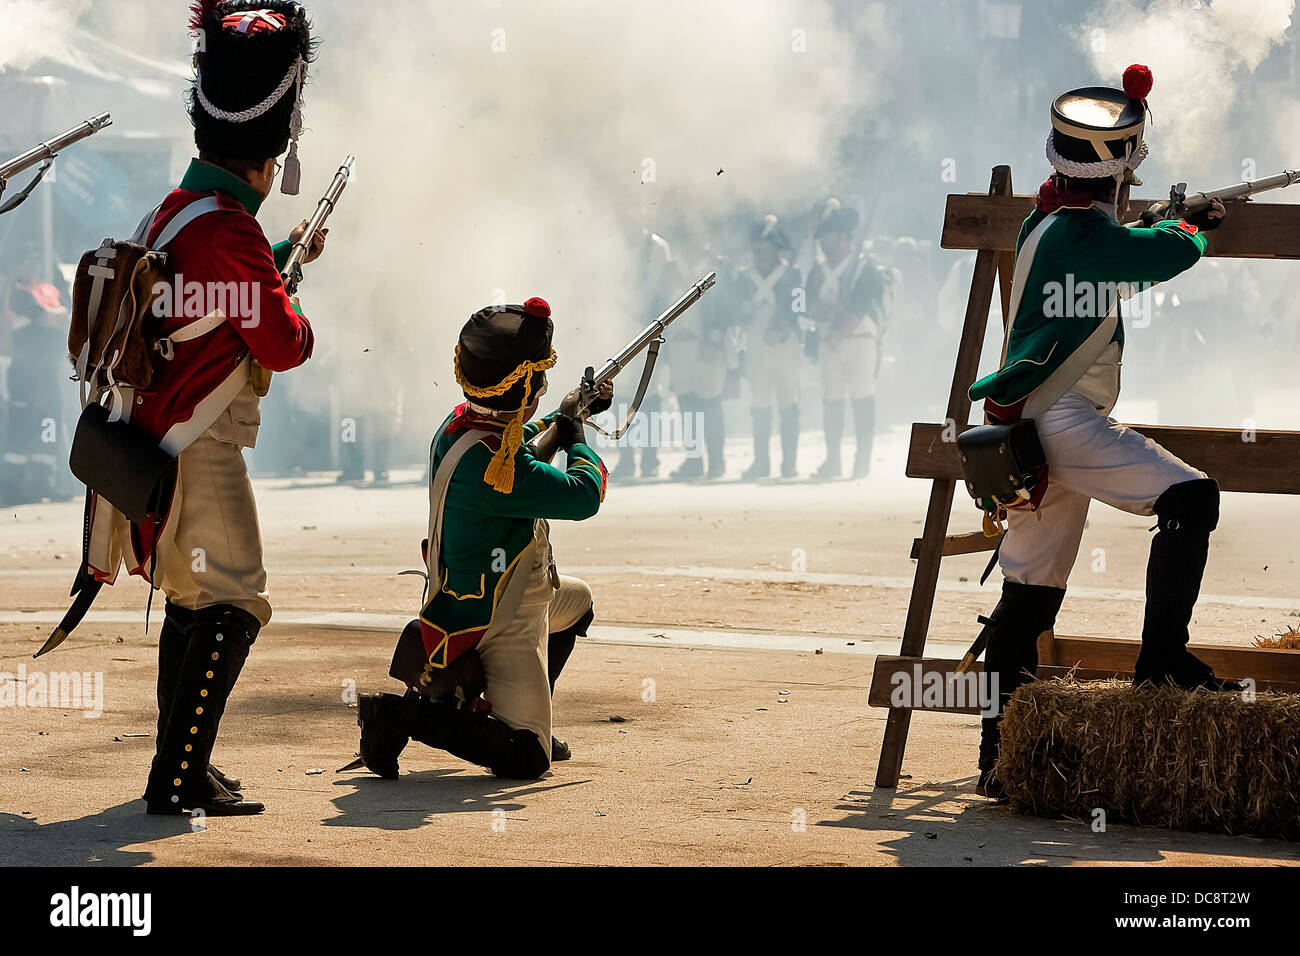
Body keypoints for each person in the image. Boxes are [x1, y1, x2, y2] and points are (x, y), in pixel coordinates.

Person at [74, 0, 326, 815]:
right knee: (236, 600)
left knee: (194, 601)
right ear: (271, 147)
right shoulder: (231, 233)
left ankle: (182, 763)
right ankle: (177, 774)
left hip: (161, 440)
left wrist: (282, 257)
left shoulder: (183, 210)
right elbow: (285, 343)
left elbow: (212, 299)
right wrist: (293, 292)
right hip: (201, 443)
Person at [966, 65, 1231, 799]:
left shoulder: (1046, 219)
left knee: (1029, 594)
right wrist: (1191, 225)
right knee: (1192, 499)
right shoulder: (1085, 232)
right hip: (1064, 420)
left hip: (1028, 427)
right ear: (1118, 169)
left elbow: (1110, 252)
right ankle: (1162, 663)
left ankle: (998, 759)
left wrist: (1147, 222)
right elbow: (1166, 256)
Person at [354, 297, 611, 780]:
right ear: (523, 389)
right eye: (539, 381)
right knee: (529, 759)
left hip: (479, 592)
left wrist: (563, 414)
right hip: (502, 615)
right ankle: (403, 716)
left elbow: (518, 434)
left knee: (579, 602)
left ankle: (524, 712)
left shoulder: (459, 426)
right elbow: (584, 495)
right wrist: (576, 435)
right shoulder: (502, 467)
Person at [806, 199, 886, 480]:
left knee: (862, 397)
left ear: (842, 237)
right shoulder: (817, 271)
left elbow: (864, 305)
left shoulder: (865, 268)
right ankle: (832, 462)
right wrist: (823, 311)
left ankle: (861, 462)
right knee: (832, 400)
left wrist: (840, 325)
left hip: (859, 340)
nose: (824, 242)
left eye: (828, 236)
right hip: (829, 341)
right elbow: (806, 305)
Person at [737, 215, 803, 479]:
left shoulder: (792, 275)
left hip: (786, 347)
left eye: (766, 251)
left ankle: (789, 464)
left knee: (789, 405)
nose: (761, 256)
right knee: (759, 406)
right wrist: (742, 311)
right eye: (757, 251)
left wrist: (786, 323)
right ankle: (761, 463)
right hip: (756, 348)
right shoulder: (742, 278)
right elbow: (732, 311)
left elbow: (800, 306)